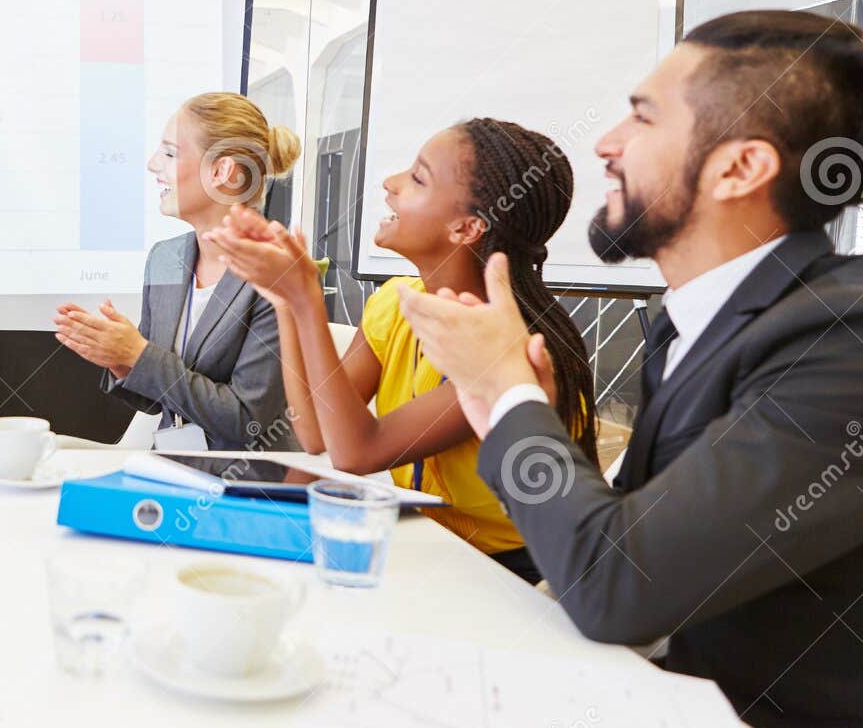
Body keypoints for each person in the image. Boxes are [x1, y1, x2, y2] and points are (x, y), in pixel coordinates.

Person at [396, 10, 863, 728]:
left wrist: (508, 392)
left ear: (739, 168)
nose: (606, 141)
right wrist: (511, 410)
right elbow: (640, 547)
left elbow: (621, 586)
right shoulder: (690, 322)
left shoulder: (855, 337)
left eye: (644, 114)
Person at [207, 119, 596, 584]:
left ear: (466, 227)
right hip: (428, 548)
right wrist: (288, 301)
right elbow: (314, 433)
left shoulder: (507, 347)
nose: (389, 184)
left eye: (417, 177)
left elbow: (357, 453)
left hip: (511, 578)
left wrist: (308, 298)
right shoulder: (395, 303)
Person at [53, 92, 301, 451]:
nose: (154, 164)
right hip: (173, 470)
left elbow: (247, 421)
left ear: (221, 171)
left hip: (248, 484)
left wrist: (139, 355)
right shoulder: (165, 258)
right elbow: (158, 399)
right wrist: (121, 361)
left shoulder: (278, 273)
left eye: (170, 153)